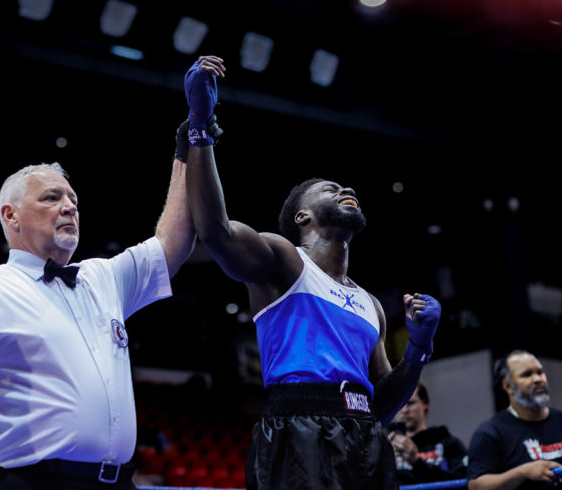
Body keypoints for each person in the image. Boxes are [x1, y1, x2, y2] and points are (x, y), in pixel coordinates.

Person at [183, 55, 442, 490]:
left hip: (365, 435)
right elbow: (216, 231)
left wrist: (419, 349)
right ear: (303, 216)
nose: (347, 190)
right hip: (298, 430)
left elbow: (382, 404)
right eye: (331, 189)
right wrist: (199, 127)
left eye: (346, 188)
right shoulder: (285, 261)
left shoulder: (370, 304)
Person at [0, 94, 201, 488]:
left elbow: (171, 244)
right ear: (11, 215)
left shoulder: (101, 276)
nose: (70, 207)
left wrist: (187, 149)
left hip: (119, 482)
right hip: (30, 482)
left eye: (73, 199)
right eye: (52, 198)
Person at [467, 350, 562, 490]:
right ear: (508, 386)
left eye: (540, 372)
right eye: (527, 375)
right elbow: (476, 486)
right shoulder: (490, 432)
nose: (537, 379)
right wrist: (522, 472)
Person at [387, 380, 468, 484]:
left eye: (410, 403)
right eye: (400, 404)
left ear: (425, 404)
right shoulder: (387, 446)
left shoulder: (448, 443)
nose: (404, 410)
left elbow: (464, 482)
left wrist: (417, 461)